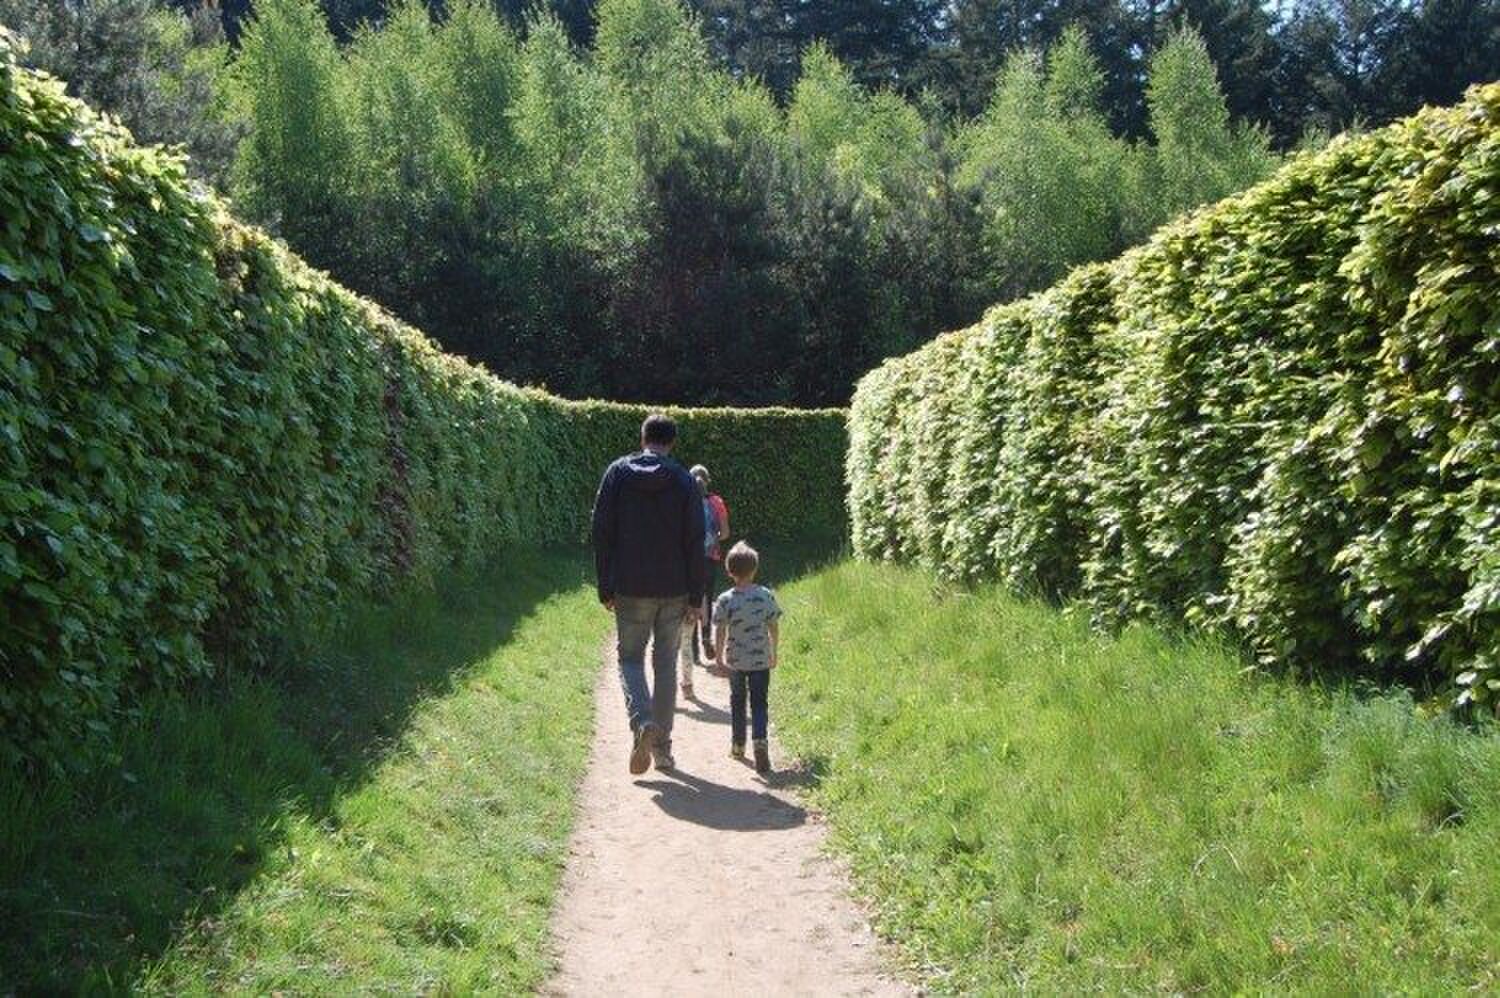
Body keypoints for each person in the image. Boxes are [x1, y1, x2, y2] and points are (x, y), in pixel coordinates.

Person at [592, 413, 706, 775]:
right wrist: (696, 596)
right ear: (671, 443)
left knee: (629, 659)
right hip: (674, 588)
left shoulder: (617, 473)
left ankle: (642, 721)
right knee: (665, 664)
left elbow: (602, 531)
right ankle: (663, 749)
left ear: (643, 438)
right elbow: (695, 539)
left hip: (630, 585)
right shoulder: (685, 480)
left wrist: (605, 585)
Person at [711, 541, 781, 773]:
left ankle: (738, 745)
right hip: (760, 661)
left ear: (730, 571)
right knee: (760, 702)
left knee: (737, 702)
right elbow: (773, 626)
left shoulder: (724, 600)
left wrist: (719, 658)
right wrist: (773, 651)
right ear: (754, 569)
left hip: (736, 664)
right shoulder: (765, 595)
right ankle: (760, 743)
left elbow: (720, 630)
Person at [679, 464, 729, 698]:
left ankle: (694, 650)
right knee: (707, 596)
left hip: (689, 557)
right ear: (708, 481)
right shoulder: (717, 502)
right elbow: (726, 533)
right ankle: (707, 635)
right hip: (711, 557)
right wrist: (714, 538)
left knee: (690, 596)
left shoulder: (683, 500)